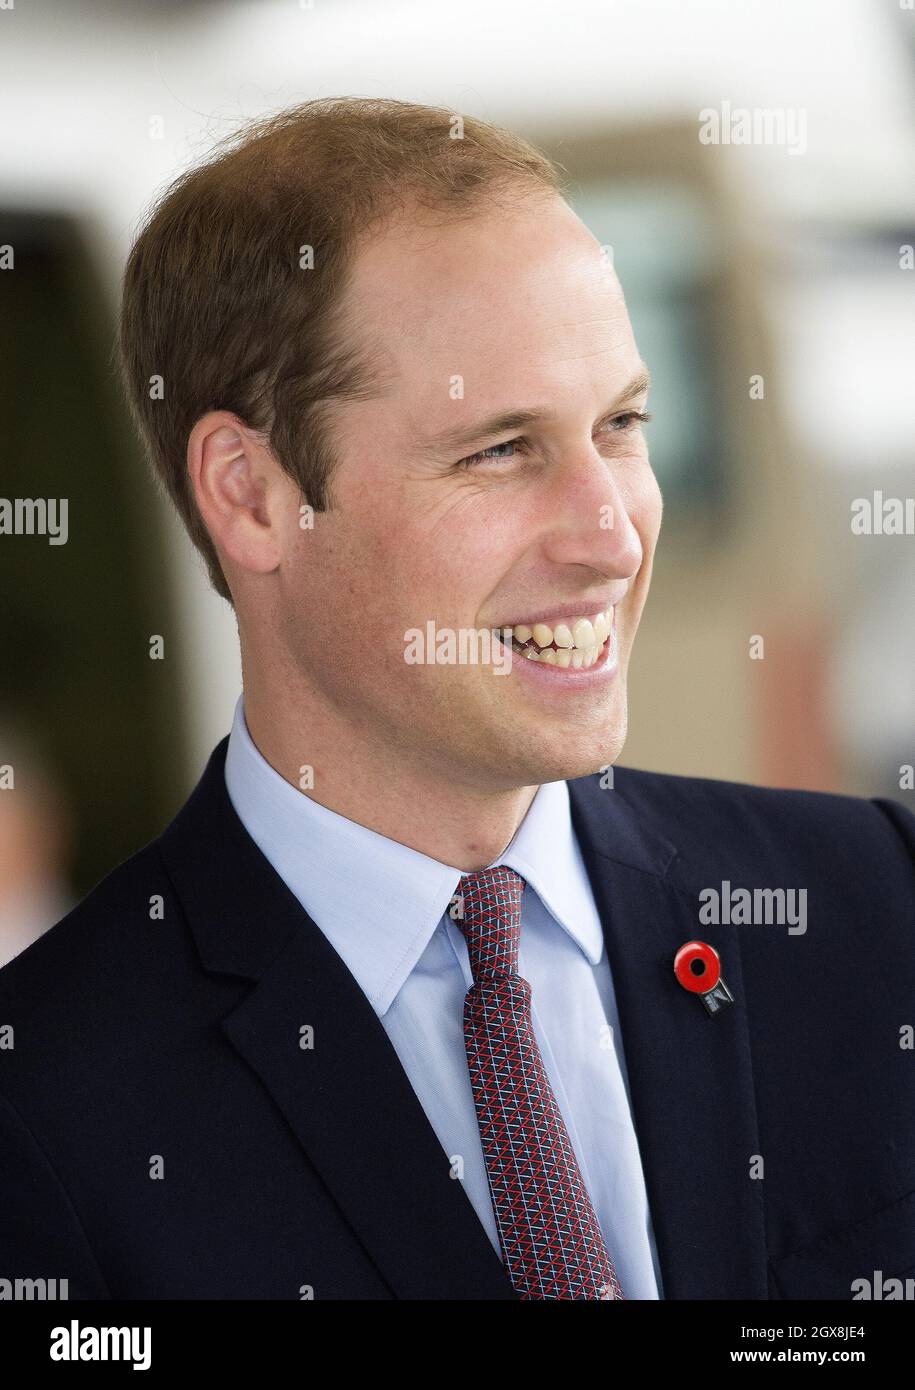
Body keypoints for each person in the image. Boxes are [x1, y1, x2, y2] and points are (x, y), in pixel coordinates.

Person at [1, 98, 912, 1302]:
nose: (612, 537)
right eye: (499, 450)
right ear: (254, 495)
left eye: (623, 425)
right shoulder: (46, 1112)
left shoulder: (876, 911)